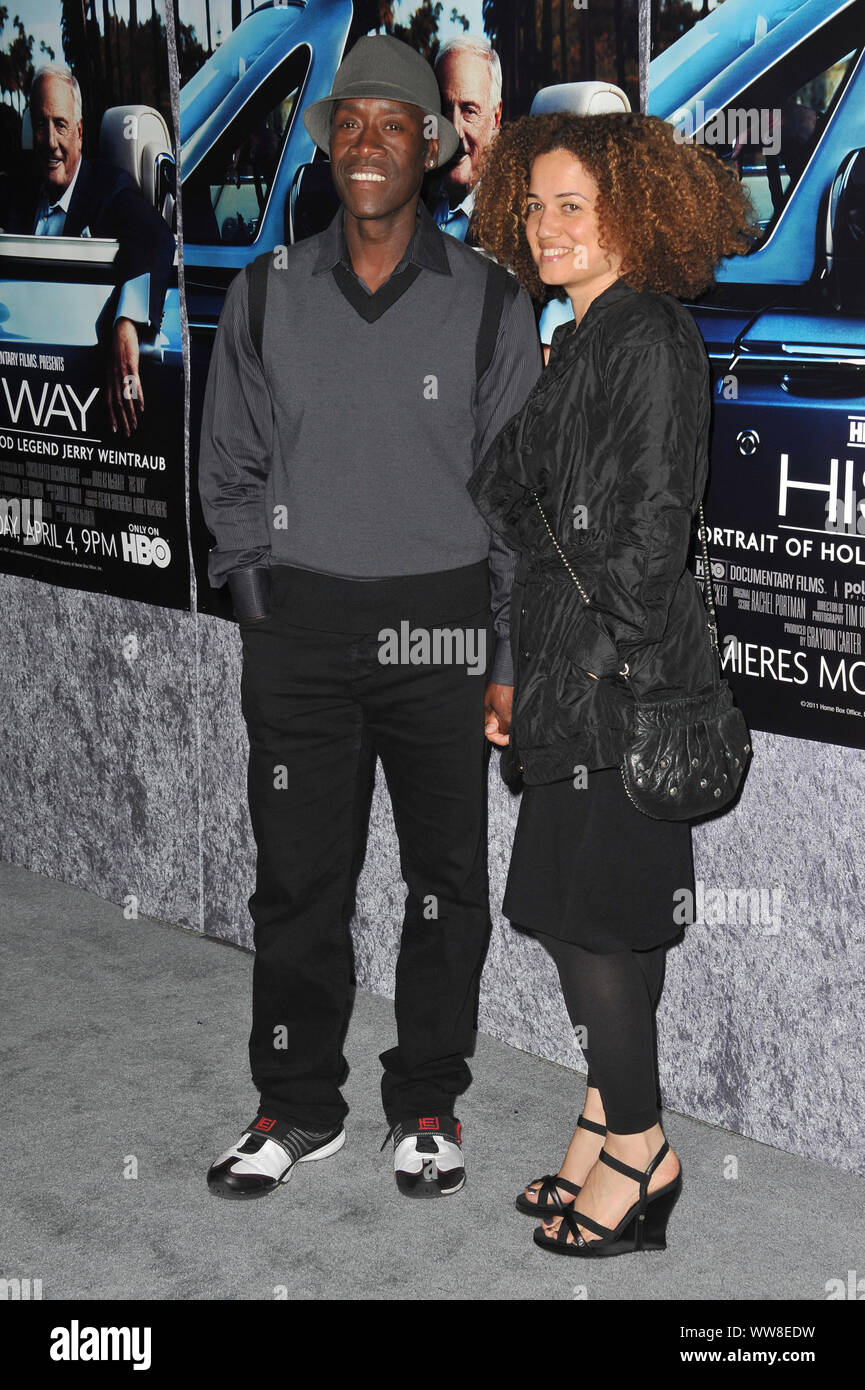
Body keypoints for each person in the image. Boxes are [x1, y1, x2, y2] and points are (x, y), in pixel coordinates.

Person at [197, 35, 541, 1202]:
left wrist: (500, 648)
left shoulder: (491, 302)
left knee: (443, 878)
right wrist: (259, 602)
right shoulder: (268, 292)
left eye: (394, 124)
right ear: (328, 142)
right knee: (298, 879)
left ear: (429, 146)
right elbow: (230, 463)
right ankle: (296, 1105)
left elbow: (516, 499)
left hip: (439, 626)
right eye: (350, 123)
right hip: (301, 627)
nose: (367, 143)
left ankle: (428, 1101)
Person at [467, 111, 753, 1255]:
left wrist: (576, 672)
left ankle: (641, 1153)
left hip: (614, 680)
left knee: (581, 916)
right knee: (619, 925)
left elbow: (646, 539)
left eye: (570, 205)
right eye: (531, 205)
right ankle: (602, 1115)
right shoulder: (586, 335)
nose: (543, 225)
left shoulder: (647, 340)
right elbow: (508, 493)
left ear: (634, 214)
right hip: (574, 670)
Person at [0, 65, 176, 438]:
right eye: (41, 124)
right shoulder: (17, 190)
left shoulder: (107, 188)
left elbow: (156, 237)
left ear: (79, 133)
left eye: (61, 125)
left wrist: (127, 324)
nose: (50, 141)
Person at [430, 36, 502, 243]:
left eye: (469, 111)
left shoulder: (517, 222)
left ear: (495, 118)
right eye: (444, 109)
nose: (455, 131)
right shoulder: (414, 196)